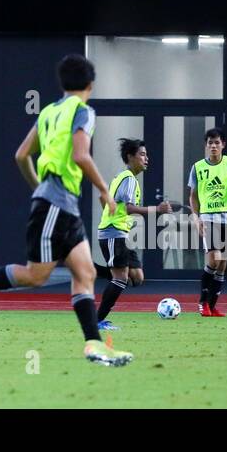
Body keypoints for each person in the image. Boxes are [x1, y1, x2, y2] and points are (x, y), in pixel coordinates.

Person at [0, 54, 132, 366]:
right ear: (90, 85)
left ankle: (94, 345)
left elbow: (21, 155)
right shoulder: (83, 111)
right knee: (35, 276)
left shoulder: (49, 112)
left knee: (86, 272)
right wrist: (105, 190)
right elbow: (82, 156)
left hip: (59, 203)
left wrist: (38, 188)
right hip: (57, 203)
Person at [93, 137, 171, 330]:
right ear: (130, 157)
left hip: (121, 233)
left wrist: (110, 209)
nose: (147, 159)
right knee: (120, 279)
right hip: (113, 233)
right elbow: (128, 208)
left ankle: (94, 270)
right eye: (142, 155)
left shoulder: (128, 179)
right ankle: (96, 320)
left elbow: (103, 199)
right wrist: (156, 210)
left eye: (147, 155)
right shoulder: (127, 179)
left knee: (136, 277)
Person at [188, 127, 227, 316]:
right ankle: (202, 303)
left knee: (223, 263)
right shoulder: (198, 167)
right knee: (214, 260)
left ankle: (212, 305)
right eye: (210, 143)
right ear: (206, 146)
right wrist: (196, 218)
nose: (213, 146)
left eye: (217, 142)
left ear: (223, 144)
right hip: (208, 217)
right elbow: (192, 196)